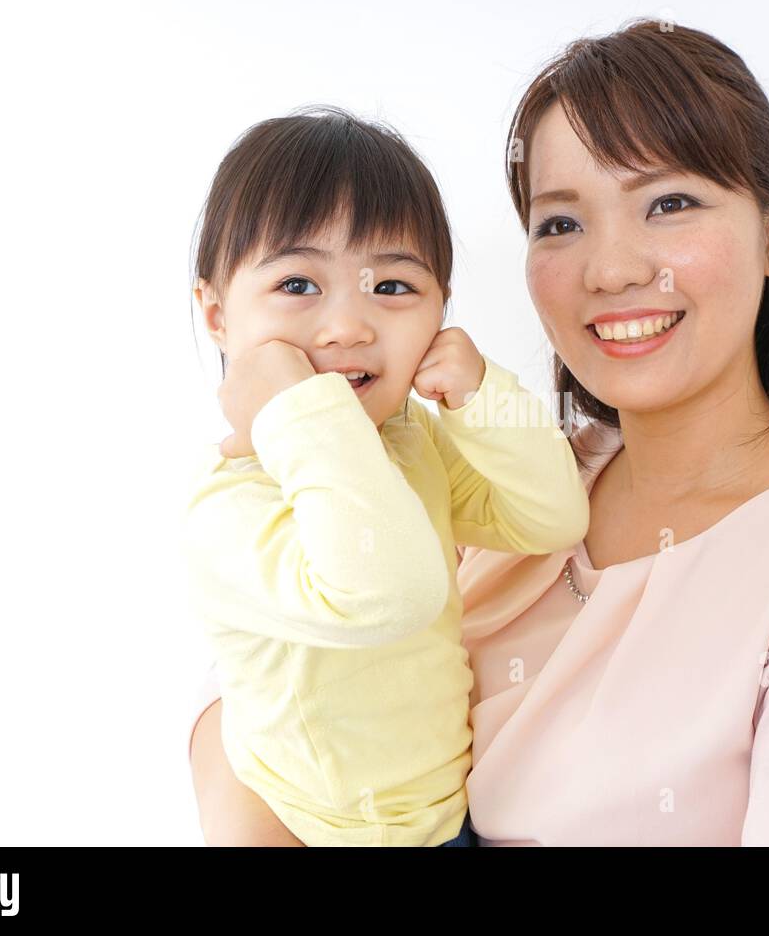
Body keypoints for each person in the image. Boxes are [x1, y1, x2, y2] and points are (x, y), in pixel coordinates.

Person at [189, 20, 769, 846]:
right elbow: (257, 707)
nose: (614, 269)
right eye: (561, 223)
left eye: (669, 204)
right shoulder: (503, 478)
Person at [183, 106, 589, 846]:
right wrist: (302, 411)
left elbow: (551, 518)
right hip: (317, 829)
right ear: (216, 314)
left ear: (442, 309)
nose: (349, 326)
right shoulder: (230, 511)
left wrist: (480, 396)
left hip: (449, 820)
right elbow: (386, 594)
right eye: (299, 285)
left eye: (393, 288)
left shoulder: (413, 448)